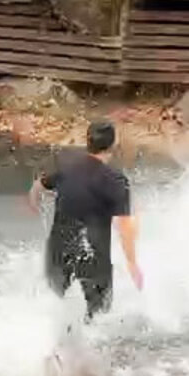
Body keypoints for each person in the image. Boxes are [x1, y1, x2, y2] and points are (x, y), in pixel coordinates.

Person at [30, 119, 142, 318]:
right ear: (113, 144)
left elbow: (38, 186)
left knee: (55, 306)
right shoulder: (116, 180)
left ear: (87, 141)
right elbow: (125, 226)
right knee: (98, 317)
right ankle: (89, 347)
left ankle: (54, 345)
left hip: (58, 250)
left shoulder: (66, 168)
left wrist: (34, 204)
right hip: (92, 254)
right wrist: (132, 263)